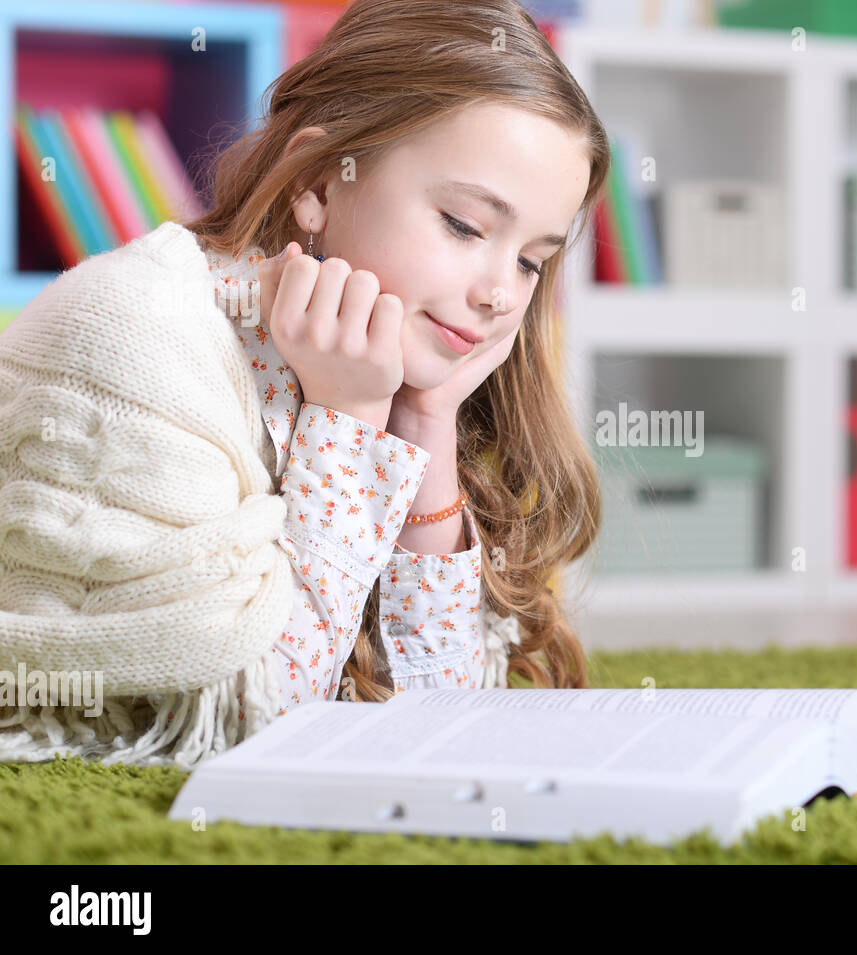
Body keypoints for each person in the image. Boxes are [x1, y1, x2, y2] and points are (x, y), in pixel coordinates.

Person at [0, 0, 608, 767]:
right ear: (320, 182)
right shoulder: (139, 337)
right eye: (463, 225)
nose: (499, 293)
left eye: (531, 260)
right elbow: (263, 723)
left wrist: (426, 422)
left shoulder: (395, 365)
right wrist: (348, 417)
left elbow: (445, 712)